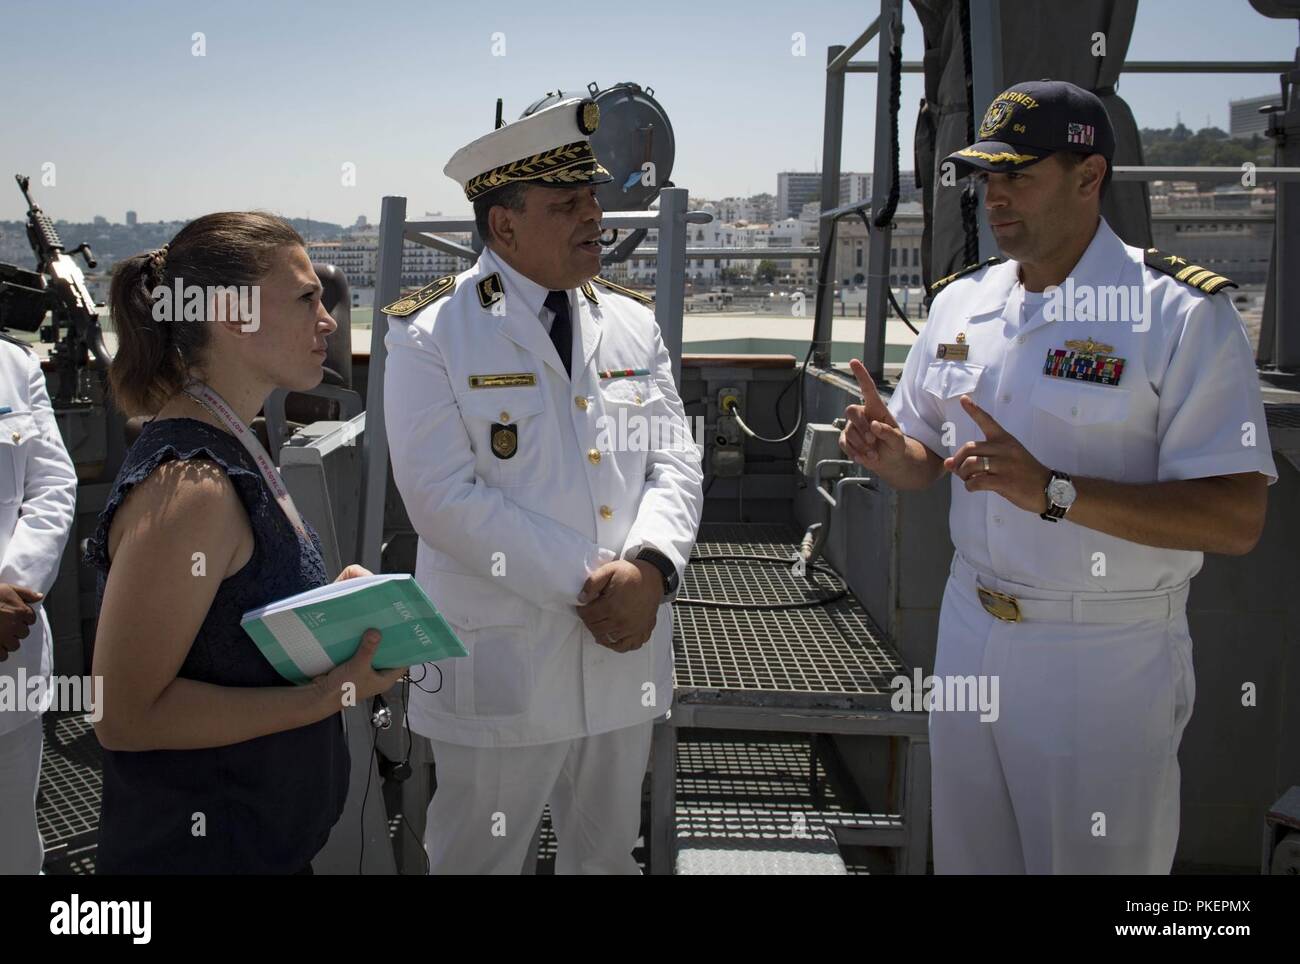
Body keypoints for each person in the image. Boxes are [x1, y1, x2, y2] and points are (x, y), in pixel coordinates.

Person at [839, 79, 1276, 873]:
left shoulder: (1178, 313)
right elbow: (926, 459)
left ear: (1089, 176)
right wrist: (889, 452)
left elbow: (1235, 518)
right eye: (987, 179)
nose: (995, 198)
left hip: (1102, 653)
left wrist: (1055, 492)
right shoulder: (962, 304)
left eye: (1019, 177)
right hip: (971, 629)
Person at [384, 97, 703, 874]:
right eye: (567, 205)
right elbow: (442, 499)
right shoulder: (431, 332)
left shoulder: (630, 321)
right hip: (505, 658)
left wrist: (653, 568)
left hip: (623, 651)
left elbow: (673, 457)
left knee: (606, 858)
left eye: (592, 198)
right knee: (478, 862)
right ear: (505, 226)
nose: (594, 216)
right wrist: (602, 583)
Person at [85, 213, 404, 873]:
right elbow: (123, 714)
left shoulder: (230, 443)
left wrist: (326, 612)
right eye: (306, 297)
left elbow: (230, 627)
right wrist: (331, 692)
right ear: (232, 315)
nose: (329, 320)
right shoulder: (192, 485)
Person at [0, 333, 77, 874]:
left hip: (8, 660)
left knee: (14, 848)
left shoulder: (13, 363)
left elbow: (51, 485)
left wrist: (12, 590)